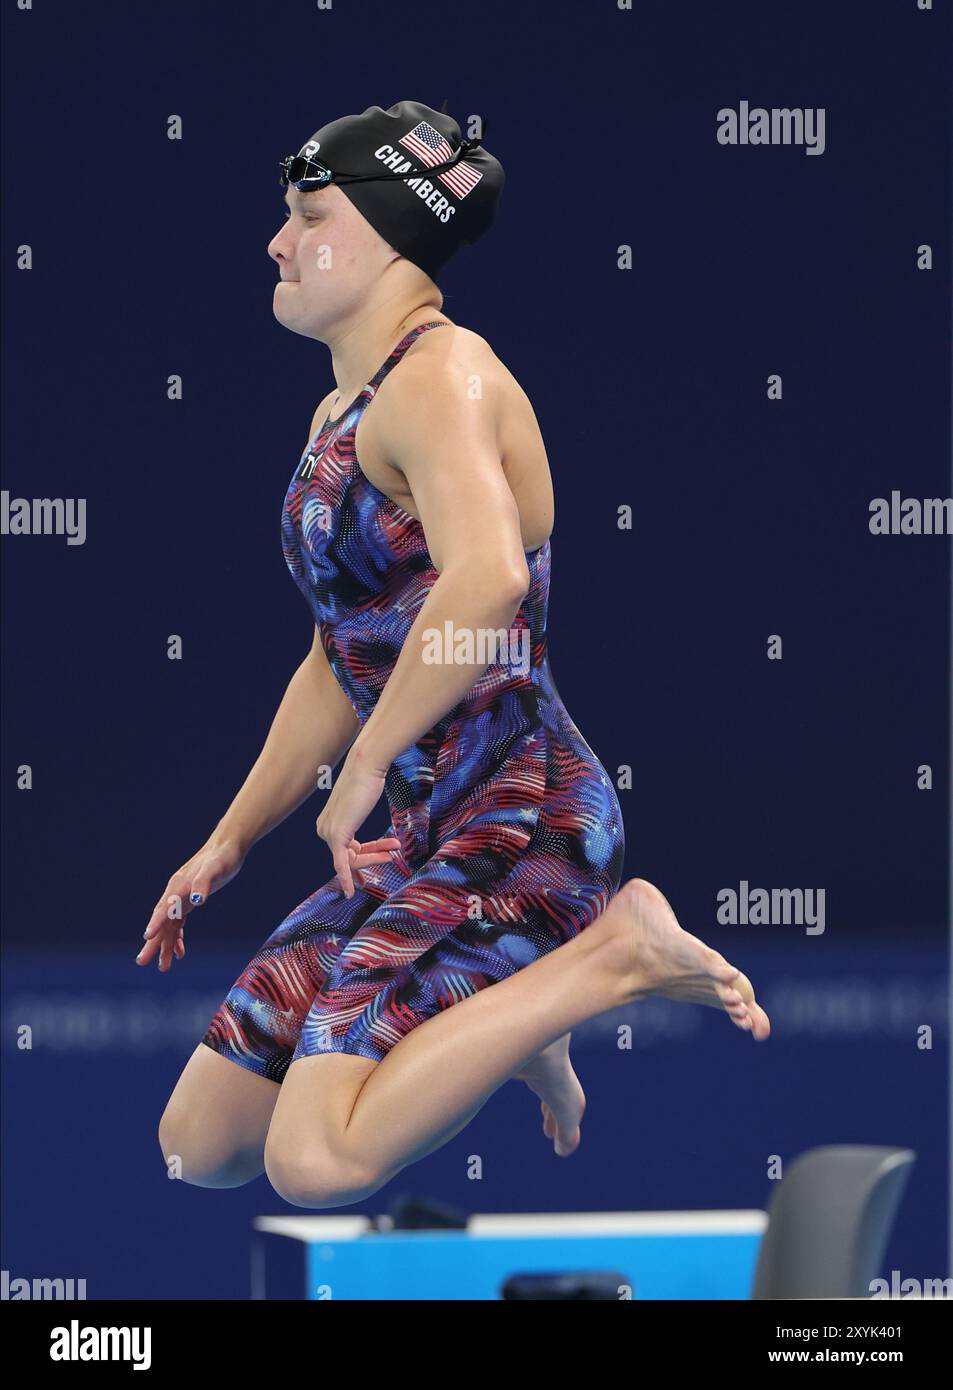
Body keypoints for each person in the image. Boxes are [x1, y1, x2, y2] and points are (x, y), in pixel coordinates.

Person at [147, 100, 770, 1208]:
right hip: (434, 833)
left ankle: (611, 955)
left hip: (520, 824)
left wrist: (366, 770)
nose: (277, 241)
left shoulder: (445, 378)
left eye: (308, 212)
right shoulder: (340, 413)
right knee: (202, 1142)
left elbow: (483, 584)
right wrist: (230, 840)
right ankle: (521, 1023)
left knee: (315, 1159)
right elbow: (331, 661)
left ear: (389, 233)